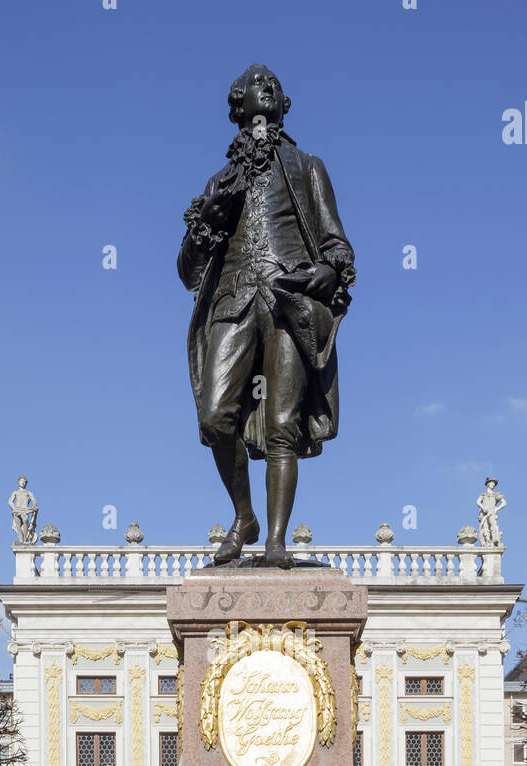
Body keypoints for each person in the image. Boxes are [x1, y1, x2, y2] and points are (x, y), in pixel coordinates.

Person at [178, 65, 355, 567]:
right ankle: (244, 516)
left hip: (288, 301)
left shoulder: (307, 167)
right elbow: (188, 273)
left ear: (283, 105)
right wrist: (202, 227)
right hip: (233, 303)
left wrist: (326, 271)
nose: (269, 89)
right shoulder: (218, 183)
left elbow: (337, 243)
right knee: (215, 416)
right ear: (240, 102)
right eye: (259, 84)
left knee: (282, 423)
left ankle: (275, 540)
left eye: (275, 86)